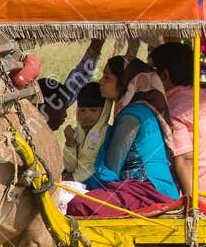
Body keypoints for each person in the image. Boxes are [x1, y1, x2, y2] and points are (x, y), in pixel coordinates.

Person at [66, 59, 180, 219]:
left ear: (126, 82)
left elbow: (111, 170)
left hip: (148, 192)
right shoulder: (138, 111)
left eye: (107, 78)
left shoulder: (131, 116)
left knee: (78, 204)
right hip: (145, 189)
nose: (100, 82)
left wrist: (80, 181)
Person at [152, 39, 206, 219]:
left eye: (152, 72)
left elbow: (185, 160)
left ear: (165, 75)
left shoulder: (175, 108)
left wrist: (194, 209)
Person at [63, 82, 111, 180]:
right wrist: (70, 143)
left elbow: (97, 166)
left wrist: (74, 178)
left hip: (95, 184)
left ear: (104, 110)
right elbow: (70, 167)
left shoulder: (108, 134)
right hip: (74, 182)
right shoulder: (76, 133)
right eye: (83, 110)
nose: (87, 115)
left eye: (93, 110)